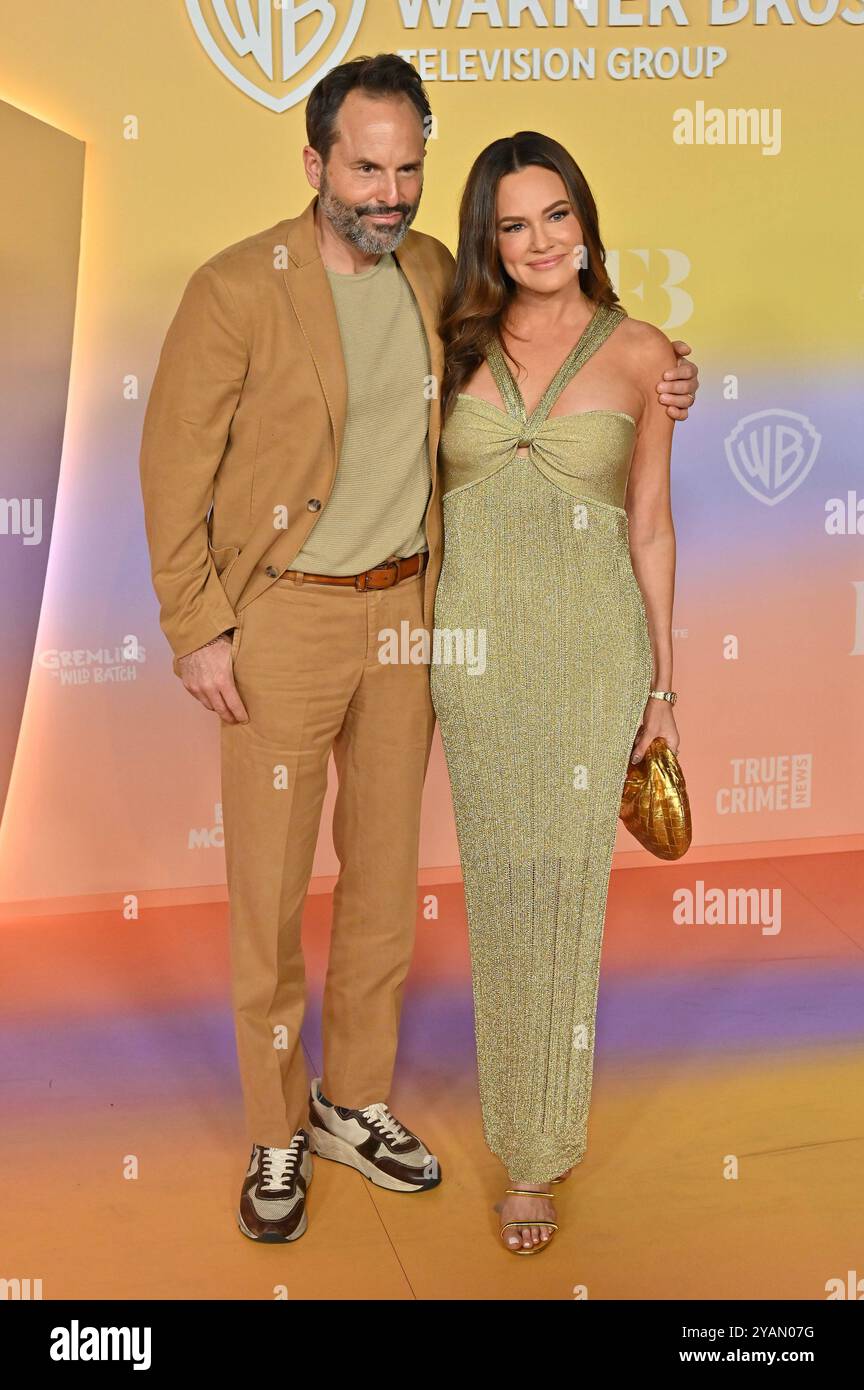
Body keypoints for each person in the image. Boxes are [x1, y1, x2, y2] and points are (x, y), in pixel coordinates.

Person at [139, 55, 698, 1245]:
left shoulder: (438, 275)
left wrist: (666, 374)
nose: (389, 192)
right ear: (316, 165)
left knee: (385, 885)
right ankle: (276, 1128)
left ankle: (355, 1101)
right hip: (284, 614)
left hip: (412, 615)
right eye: (366, 167)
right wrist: (198, 626)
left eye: (408, 168)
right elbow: (172, 467)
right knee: (270, 892)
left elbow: (570, 358)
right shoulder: (238, 286)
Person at [431, 131, 680, 1255]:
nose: (539, 242)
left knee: (567, 895)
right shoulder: (450, 342)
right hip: (476, 656)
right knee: (503, 884)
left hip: (593, 653)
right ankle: (516, 1114)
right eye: (513, 223)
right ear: (489, 236)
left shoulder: (642, 354)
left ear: (585, 219)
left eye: (557, 216)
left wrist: (666, 689)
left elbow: (652, 525)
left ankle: (537, 1154)